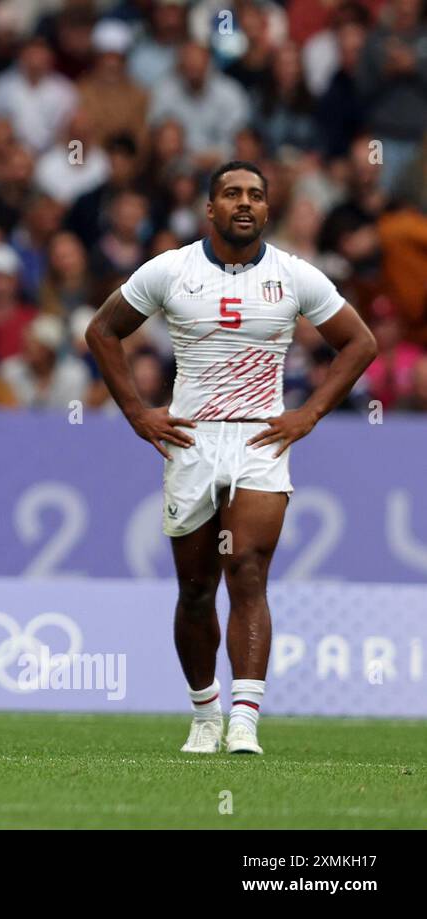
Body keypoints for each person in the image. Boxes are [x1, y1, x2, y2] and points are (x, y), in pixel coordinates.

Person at [85, 160, 375, 756]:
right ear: (210, 208)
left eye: (256, 195)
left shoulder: (295, 275)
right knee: (195, 589)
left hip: (259, 440)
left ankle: (245, 717)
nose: (245, 203)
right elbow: (102, 332)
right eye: (232, 194)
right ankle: (204, 712)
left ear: (268, 210)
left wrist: (309, 413)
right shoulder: (171, 269)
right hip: (191, 439)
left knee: (247, 570)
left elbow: (360, 342)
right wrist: (139, 413)